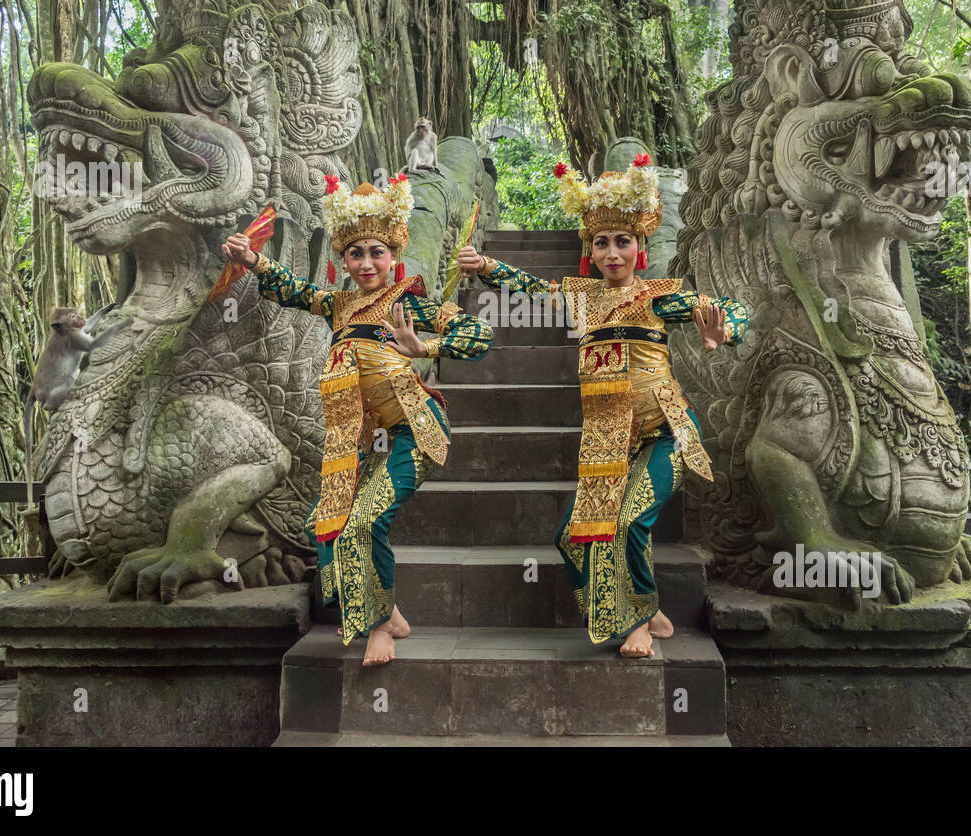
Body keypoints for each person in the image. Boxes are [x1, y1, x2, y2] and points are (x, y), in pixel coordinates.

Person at [457, 154, 749, 658]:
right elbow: (528, 288)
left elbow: (729, 307)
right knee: (572, 537)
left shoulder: (660, 296)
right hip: (608, 442)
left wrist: (725, 327)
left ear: (639, 246)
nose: (612, 252)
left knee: (630, 520)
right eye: (601, 242)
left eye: (622, 241)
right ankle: (645, 609)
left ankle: (634, 621)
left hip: (667, 433)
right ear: (589, 250)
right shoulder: (581, 298)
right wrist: (485, 266)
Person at [222, 174, 492, 666]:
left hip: (416, 430)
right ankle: (387, 614)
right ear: (342, 260)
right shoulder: (339, 304)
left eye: (377, 252)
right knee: (325, 524)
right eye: (356, 254)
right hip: (367, 443)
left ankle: (377, 627)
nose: (366, 264)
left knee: (366, 519)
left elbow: (479, 335)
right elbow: (295, 291)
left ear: (394, 255)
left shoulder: (410, 302)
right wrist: (254, 259)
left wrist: (425, 346)